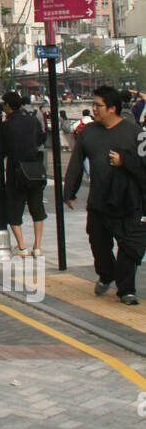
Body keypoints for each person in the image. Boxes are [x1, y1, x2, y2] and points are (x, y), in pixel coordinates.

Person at [64, 85, 144, 306]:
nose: (94, 110)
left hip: (129, 202)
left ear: (112, 108)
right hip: (99, 201)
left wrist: (124, 161)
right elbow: (76, 163)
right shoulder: (87, 133)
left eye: (98, 106)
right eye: (93, 105)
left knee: (129, 248)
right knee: (98, 244)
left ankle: (127, 290)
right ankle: (106, 275)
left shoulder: (135, 133)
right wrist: (69, 191)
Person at [2, 91, 46, 257]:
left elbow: (3, 149)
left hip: (16, 171)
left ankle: (22, 247)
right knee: (37, 208)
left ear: (7, 105)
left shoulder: (7, 125)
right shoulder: (33, 119)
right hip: (34, 169)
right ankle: (37, 246)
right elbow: (41, 138)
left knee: (14, 210)